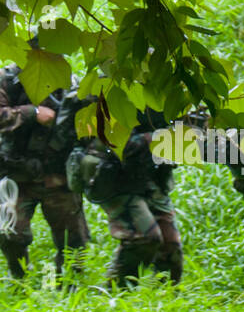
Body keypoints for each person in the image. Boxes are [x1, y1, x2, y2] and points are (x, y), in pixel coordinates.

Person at [66, 109, 183, 287]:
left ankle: (162, 302)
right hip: (114, 178)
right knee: (144, 237)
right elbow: (124, 146)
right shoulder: (111, 93)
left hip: (149, 176)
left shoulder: (165, 93)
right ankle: (115, 292)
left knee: (171, 246)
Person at [0, 62, 91, 280]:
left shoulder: (70, 83)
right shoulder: (9, 80)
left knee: (74, 240)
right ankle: (20, 279)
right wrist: (32, 113)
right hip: (18, 176)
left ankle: (69, 285)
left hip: (58, 175)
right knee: (10, 234)